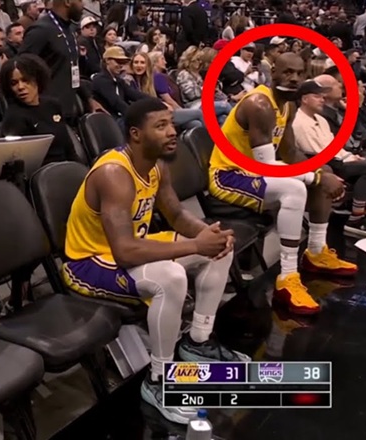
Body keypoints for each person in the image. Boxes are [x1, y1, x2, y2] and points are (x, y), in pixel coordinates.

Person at [62, 98, 247, 425]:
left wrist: (207, 235)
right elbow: (124, 252)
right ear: (135, 134)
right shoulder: (114, 174)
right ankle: (158, 379)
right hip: (89, 262)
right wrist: (195, 245)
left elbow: (176, 214)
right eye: (160, 126)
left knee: (220, 248)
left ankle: (198, 343)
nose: (172, 131)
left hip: (130, 249)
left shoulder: (156, 165)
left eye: (171, 123)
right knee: (171, 277)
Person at [207, 52, 357, 316]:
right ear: (273, 71)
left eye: (299, 73)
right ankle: (287, 278)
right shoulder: (259, 104)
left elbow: (290, 153)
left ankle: (316, 252)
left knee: (321, 171)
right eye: (287, 72)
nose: (294, 78)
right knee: (295, 188)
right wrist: (317, 177)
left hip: (253, 174)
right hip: (228, 175)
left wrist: (320, 171)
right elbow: (266, 166)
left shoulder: (287, 105)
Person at [291, 80, 366, 237]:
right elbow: (316, 152)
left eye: (322, 97)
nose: (322, 100)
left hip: (338, 158)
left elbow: (333, 145)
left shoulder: (320, 119)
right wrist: (347, 159)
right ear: (305, 99)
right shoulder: (298, 123)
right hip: (324, 164)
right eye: (317, 96)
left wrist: (349, 156)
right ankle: (355, 219)